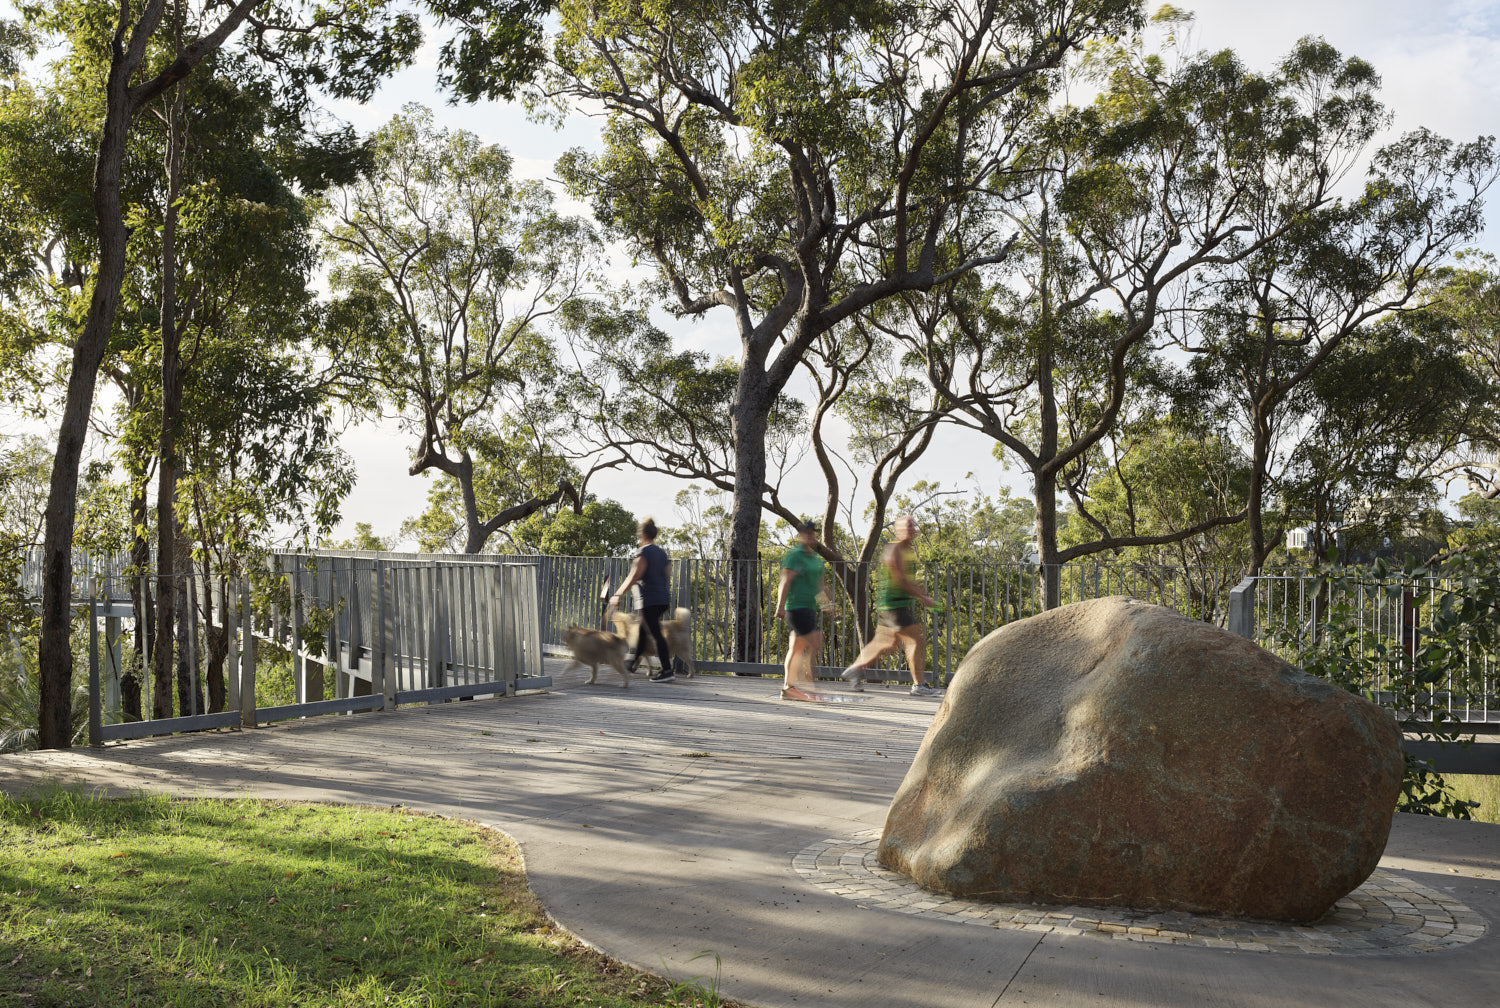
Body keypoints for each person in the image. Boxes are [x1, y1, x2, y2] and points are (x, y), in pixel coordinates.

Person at [842, 515, 940, 696]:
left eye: (912, 526)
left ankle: (855, 668)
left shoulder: (906, 550)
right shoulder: (893, 550)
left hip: (895, 604)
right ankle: (919, 685)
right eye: (907, 527)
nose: (911, 530)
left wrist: (923, 594)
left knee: (887, 643)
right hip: (893, 605)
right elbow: (900, 579)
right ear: (898, 530)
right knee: (916, 640)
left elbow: (909, 579)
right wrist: (922, 597)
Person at [610, 518, 676, 683]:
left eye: (639, 533)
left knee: (654, 634)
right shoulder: (662, 553)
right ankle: (632, 664)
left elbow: (634, 576)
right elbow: (667, 574)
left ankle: (667, 670)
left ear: (643, 534)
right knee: (642, 631)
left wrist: (618, 594)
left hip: (649, 600)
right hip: (662, 599)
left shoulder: (644, 553)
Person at [775, 520, 826, 701]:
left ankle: (789, 688)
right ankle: (806, 687)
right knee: (813, 642)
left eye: (813, 533)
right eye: (807, 533)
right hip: (796, 607)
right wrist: (780, 606)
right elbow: (785, 581)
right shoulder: (795, 556)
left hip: (809, 606)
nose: (811, 536)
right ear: (801, 535)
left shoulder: (814, 559)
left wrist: (827, 603)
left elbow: (819, 585)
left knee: (796, 648)